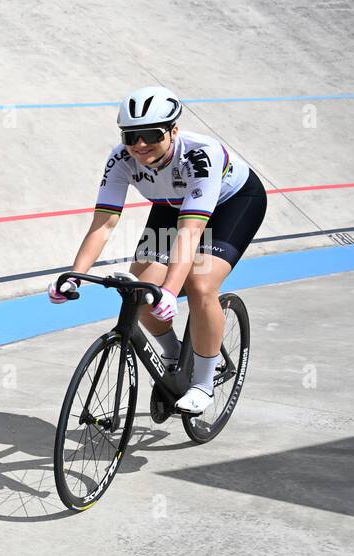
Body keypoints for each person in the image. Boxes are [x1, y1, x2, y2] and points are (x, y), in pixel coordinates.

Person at [52, 86, 267, 412]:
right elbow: (104, 224)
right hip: (173, 206)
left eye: (151, 134)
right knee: (141, 293)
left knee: (199, 284)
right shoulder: (120, 159)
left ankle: (204, 384)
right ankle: (172, 352)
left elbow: (191, 230)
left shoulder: (200, 154)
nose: (139, 144)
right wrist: (74, 276)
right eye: (131, 135)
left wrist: (170, 290)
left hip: (233, 204)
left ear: (173, 130)